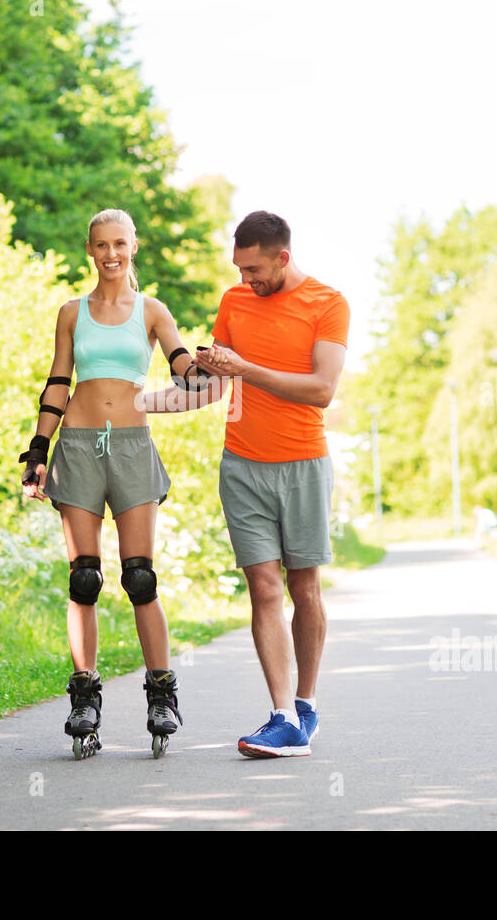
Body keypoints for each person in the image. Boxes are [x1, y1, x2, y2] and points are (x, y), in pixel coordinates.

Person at [18, 208, 208, 759]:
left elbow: (179, 363)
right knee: (84, 580)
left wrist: (198, 369)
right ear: (89, 249)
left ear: (134, 247)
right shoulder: (71, 313)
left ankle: (161, 693)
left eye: (119, 243)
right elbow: (59, 380)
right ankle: (84, 698)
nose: (111, 254)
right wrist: (38, 450)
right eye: (101, 245)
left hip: (130, 446)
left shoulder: (151, 310)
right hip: (77, 446)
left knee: (140, 577)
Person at [193, 210, 350, 758]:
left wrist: (243, 367)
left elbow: (321, 389)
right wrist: (167, 390)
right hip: (242, 463)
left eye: (254, 269)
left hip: (303, 463)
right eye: (239, 269)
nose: (245, 281)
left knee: (303, 588)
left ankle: (305, 704)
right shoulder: (235, 302)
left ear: (282, 257)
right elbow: (215, 384)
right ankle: (282, 714)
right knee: (263, 587)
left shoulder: (328, 304)